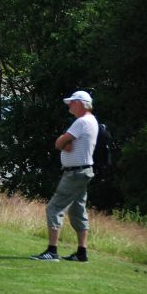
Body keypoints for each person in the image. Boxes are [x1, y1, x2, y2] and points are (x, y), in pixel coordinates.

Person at [30, 90, 99, 263]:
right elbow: (65, 143)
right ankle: (81, 252)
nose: (69, 105)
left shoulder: (81, 121)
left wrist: (63, 142)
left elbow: (59, 143)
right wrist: (65, 143)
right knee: (78, 210)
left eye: (72, 102)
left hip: (75, 172)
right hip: (82, 171)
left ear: (80, 103)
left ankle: (52, 251)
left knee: (54, 208)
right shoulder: (91, 121)